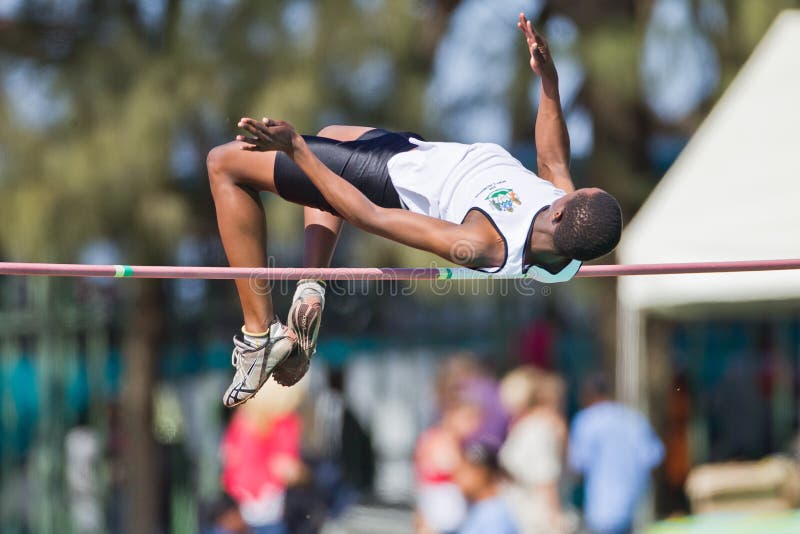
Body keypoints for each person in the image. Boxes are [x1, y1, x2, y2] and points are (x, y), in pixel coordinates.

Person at [206, 14, 623, 407]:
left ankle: (259, 333)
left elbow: (371, 216)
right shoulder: (567, 232)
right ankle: (312, 285)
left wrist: (297, 149)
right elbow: (552, 162)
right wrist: (549, 83)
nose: (565, 189)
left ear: (560, 216)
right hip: (416, 151)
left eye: (573, 194)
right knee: (332, 134)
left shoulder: (481, 243)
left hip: (387, 178)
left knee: (223, 165)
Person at [568, 373, 664, 534]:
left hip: (600, 508)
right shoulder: (633, 418)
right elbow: (653, 457)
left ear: (588, 396)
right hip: (635, 505)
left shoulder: (587, 421)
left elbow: (578, 464)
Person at [499, 367, 573, 534]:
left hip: (536, 522)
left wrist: (554, 523)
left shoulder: (537, 429)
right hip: (524, 518)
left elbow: (546, 479)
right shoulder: (531, 426)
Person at [452, 437, 520, 534]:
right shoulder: (479, 509)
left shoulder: (495, 515)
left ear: (482, 473)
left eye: (463, 471)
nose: (456, 477)